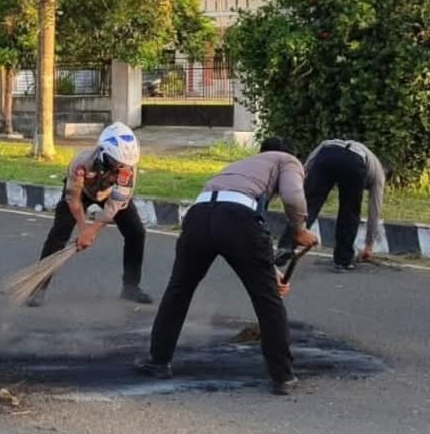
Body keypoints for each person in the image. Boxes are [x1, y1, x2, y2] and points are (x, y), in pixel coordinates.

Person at [135, 137, 319, 396]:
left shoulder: (244, 166)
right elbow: (292, 197)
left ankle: (158, 361)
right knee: (267, 300)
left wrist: (271, 271)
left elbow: (255, 226)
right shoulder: (287, 161)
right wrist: (300, 229)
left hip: (198, 217)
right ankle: (283, 376)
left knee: (179, 291)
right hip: (236, 219)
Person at [27, 122, 153, 307]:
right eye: (116, 163)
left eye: (125, 165)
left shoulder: (127, 171)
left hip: (110, 196)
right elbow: (74, 200)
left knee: (136, 233)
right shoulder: (81, 164)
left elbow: (113, 207)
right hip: (80, 194)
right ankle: (39, 287)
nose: (121, 169)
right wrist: (83, 228)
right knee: (58, 235)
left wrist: (93, 230)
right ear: (104, 154)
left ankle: (131, 287)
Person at [274, 139, 387, 271]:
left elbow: (313, 157)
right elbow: (374, 210)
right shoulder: (380, 174)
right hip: (354, 162)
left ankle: (285, 246)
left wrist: (301, 179)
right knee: (349, 213)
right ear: (386, 172)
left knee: (307, 206)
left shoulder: (337, 143)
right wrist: (369, 245)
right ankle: (342, 260)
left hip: (328, 154)